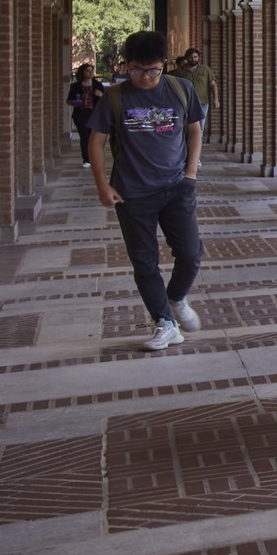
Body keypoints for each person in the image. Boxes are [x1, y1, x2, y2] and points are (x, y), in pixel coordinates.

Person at [88, 30, 206, 350]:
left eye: (153, 69)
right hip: (132, 193)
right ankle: (165, 323)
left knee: (192, 253)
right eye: (137, 69)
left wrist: (190, 173)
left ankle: (176, 298)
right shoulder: (115, 96)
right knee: (145, 261)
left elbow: (194, 129)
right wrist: (102, 185)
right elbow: (95, 142)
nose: (144, 76)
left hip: (176, 188)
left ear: (164, 64)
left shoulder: (180, 88)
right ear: (126, 65)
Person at [66, 62, 102, 166]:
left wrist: (101, 95)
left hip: (94, 114)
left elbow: (106, 100)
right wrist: (75, 102)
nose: (91, 73)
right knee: (85, 136)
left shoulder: (97, 85)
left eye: (92, 71)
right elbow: (68, 101)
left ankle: (94, 157)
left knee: (93, 137)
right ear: (82, 73)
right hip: (80, 114)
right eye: (88, 71)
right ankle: (86, 159)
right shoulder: (76, 86)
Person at [174, 48, 218, 130]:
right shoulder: (179, 72)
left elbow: (213, 84)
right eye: (191, 57)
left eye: (195, 57)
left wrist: (216, 99)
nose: (193, 59)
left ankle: (198, 142)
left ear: (199, 57)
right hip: (186, 103)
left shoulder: (205, 70)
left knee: (200, 127)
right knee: (185, 126)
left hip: (202, 102)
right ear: (187, 58)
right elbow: (174, 86)